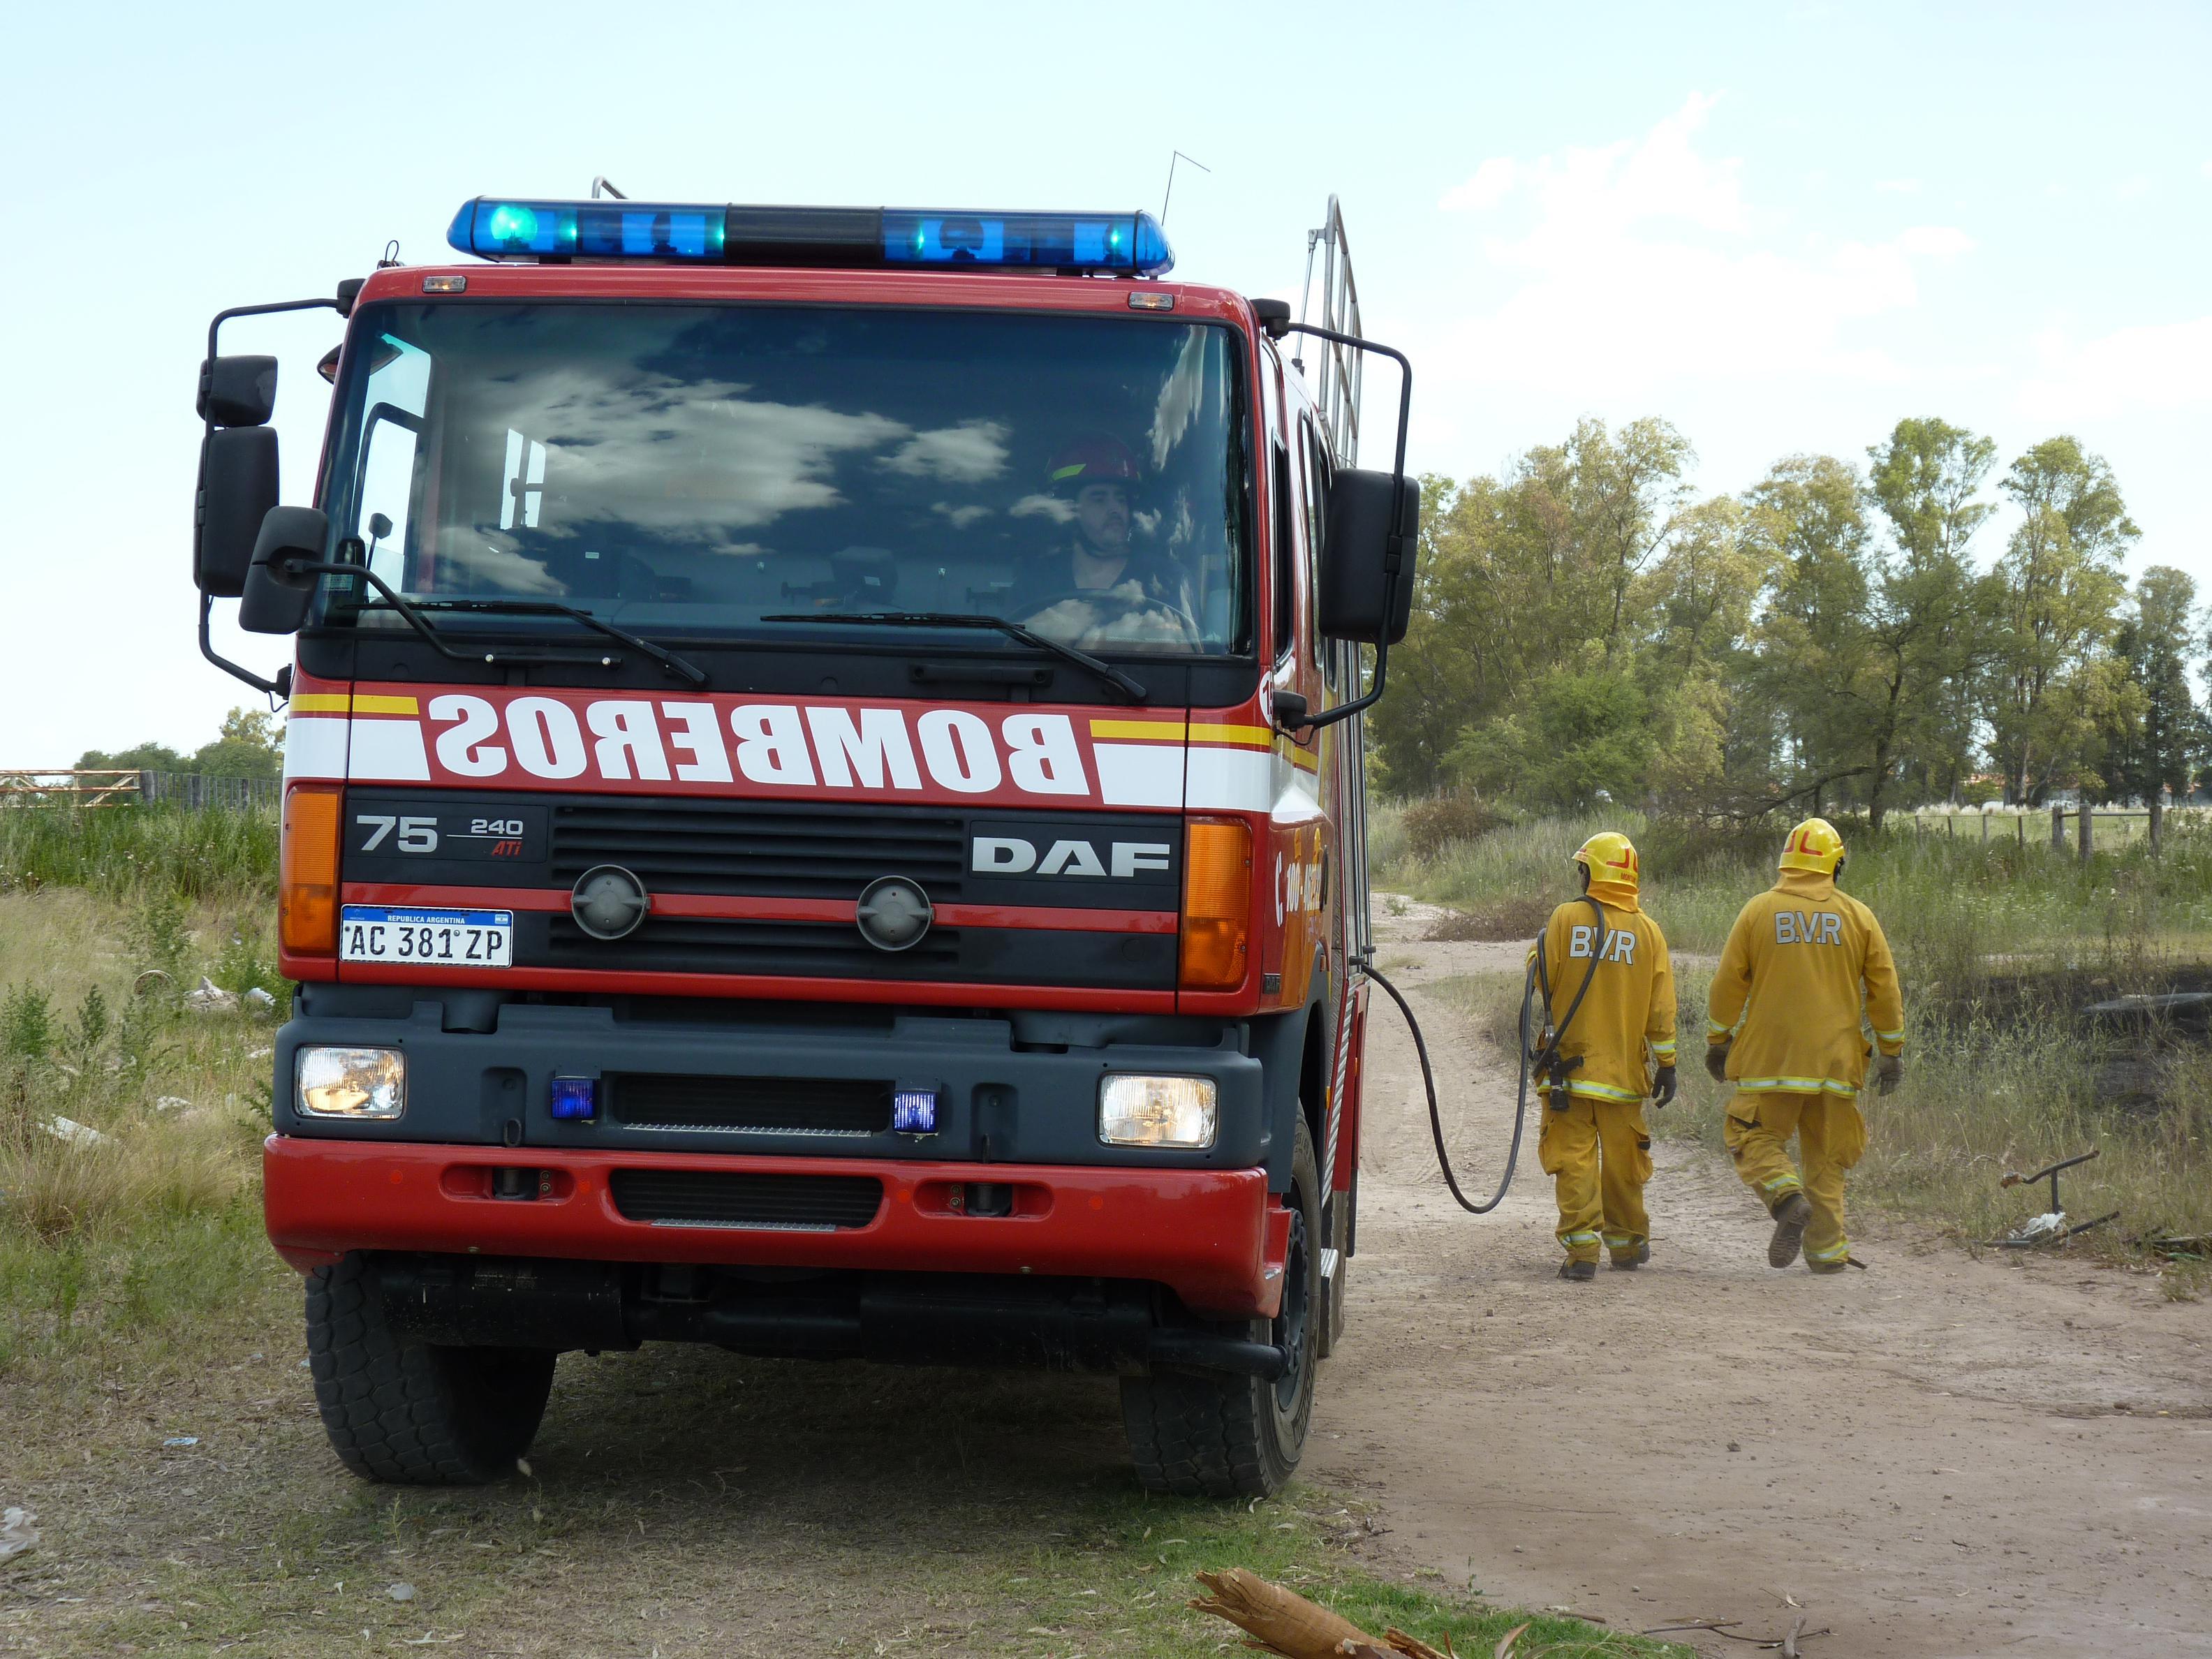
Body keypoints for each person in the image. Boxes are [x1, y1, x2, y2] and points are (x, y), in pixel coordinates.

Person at [1705, 817, 1904, 1274]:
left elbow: (1728, 983)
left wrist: (1719, 1040)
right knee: (1827, 1157)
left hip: (1771, 1060)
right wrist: (1891, 1051)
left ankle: (1786, 1198)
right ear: (1836, 866)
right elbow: (1884, 988)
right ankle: (1827, 1253)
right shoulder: (1859, 916)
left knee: (1751, 1135)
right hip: (1837, 1061)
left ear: (1786, 865)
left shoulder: (1758, 911)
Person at [1530, 832, 1678, 1283]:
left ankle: (1582, 1254)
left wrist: (1535, 955)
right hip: (1622, 1077)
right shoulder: (1648, 931)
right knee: (1624, 1166)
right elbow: (1660, 1008)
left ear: (1591, 872)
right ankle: (1628, 1246)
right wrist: (1667, 1063)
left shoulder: (1565, 917)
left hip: (1567, 1076)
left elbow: (1543, 984)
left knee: (1573, 1161)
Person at [1007, 435, 1189, 626]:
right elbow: (1012, 650)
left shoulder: (1167, 581)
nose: (1115, 509)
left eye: (1121, 499)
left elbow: (1193, 653)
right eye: (1099, 499)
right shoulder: (1034, 584)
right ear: (1071, 508)